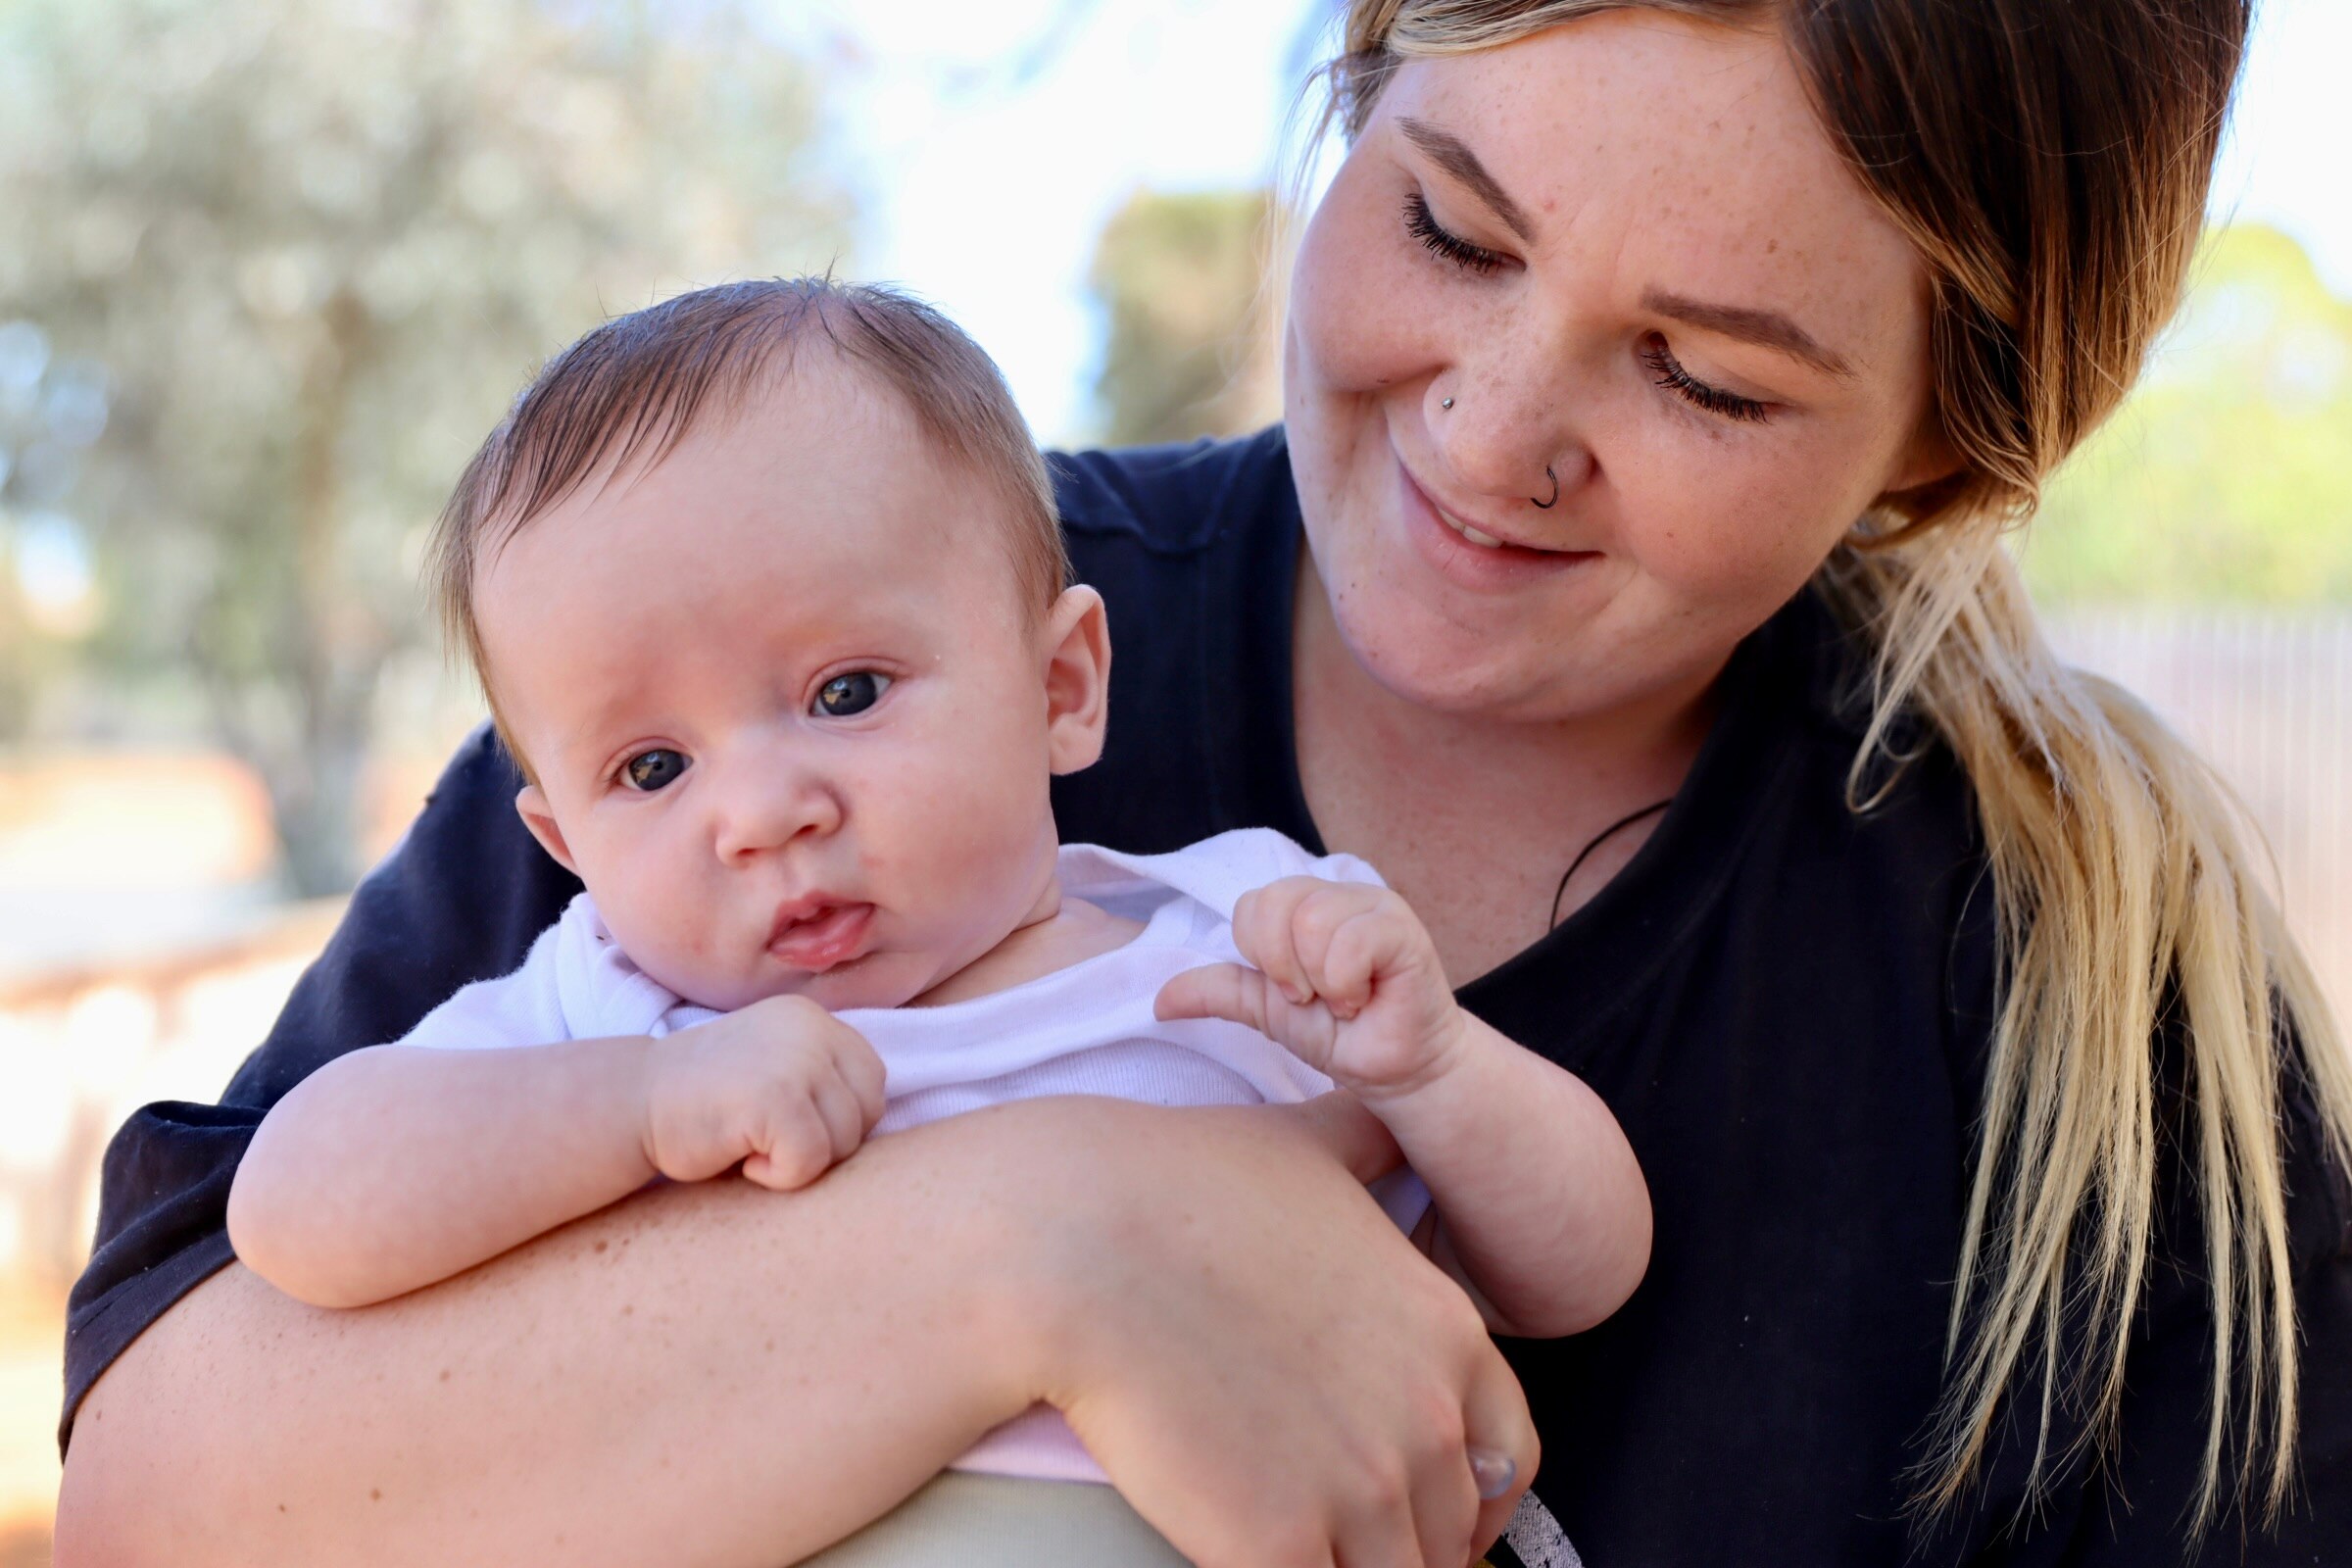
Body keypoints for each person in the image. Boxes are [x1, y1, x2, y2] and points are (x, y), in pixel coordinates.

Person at [54, 2, 2352, 1565]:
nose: (1488, 424)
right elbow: (164, 1480)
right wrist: (1036, 1247)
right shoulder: (797, 636)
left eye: (1710, 377)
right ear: (1356, 90)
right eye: (1449, 225)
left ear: (1946, 445)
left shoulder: (2074, 1007)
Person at [218, 279, 1648, 1558]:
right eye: (652, 770)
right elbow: (296, 1209)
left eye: (846, 693)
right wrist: (645, 1106)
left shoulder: (1242, 944)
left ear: (1064, 686)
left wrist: (1439, 1071)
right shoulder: (620, 1021)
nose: (764, 811)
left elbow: (1583, 1271)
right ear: (565, 848)